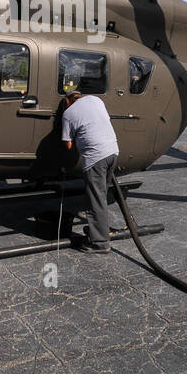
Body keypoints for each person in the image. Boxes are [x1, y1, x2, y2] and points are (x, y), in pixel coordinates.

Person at [60, 91, 120, 253]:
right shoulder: (96, 100)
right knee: (101, 196)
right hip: (113, 152)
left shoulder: (68, 113)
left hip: (96, 158)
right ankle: (97, 231)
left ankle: (100, 243)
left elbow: (68, 145)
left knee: (95, 200)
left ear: (67, 101)